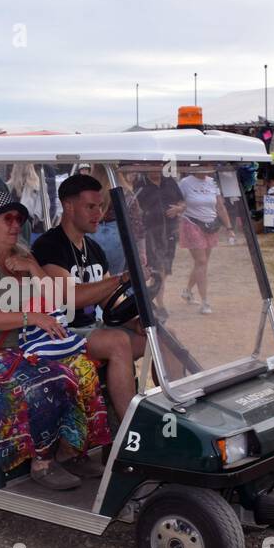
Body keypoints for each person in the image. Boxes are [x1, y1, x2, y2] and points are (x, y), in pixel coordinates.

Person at [0, 191, 112, 490]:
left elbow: (54, 300)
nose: (16, 225)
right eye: (7, 219)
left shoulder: (21, 257)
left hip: (24, 348)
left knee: (84, 368)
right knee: (50, 379)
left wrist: (34, 269)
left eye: (19, 219)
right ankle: (42, 461)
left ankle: (71, 451)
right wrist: (31, 317)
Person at [32, 173, 144, 421]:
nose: (99, 213)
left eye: (101, 206)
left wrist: (135, 320)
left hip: (92, 330)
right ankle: (130, 427)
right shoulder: (49, 246)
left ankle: (178, 412)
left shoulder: (93, 248)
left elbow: (109, 301)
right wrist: (121, 279)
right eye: (91, 206)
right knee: (117, 342)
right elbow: (69, 297)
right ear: (69, 207)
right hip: (60, 332)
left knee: (156, 336)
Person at [176, 167, 235, 315]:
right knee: (201, 262)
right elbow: (178, 203)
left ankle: (188, 291)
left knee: (201, 263)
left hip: (210, 225)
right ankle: (205, 301)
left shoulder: (212, 183)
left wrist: (229, 227)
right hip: (191, 223)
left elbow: (220, 206)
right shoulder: (185, 183)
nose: (207, 169)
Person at [136, 167, 186, 315]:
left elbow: (182, 202)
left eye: (158, 166)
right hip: (149, 232)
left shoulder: (169, 181)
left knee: (163, 267)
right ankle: (147, 302)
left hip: (169, 230)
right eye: (152, 166)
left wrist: (179, 209)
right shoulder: (140, 184)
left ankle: (158, 301)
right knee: (151, 267)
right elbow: (133, 206)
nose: (156, 170)